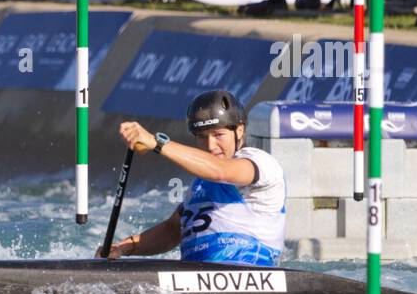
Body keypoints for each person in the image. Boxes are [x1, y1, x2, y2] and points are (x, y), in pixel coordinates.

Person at [100, 91, 287, 267]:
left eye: (218, 135)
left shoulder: (260, 162)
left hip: (248, 272)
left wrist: (157, 143)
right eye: (202, 137)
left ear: (239, 131)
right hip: (196, 277)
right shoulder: (200, 185)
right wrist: (123, 248)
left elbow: (221, 171)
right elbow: (172, 230)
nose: (210, 145)